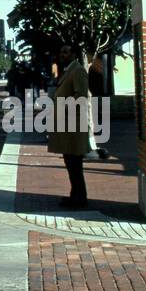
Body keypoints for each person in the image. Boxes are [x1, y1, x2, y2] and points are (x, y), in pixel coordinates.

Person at [48, 40, 91, 209]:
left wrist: (62, 106)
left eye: (66, 52)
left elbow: (80, 97)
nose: (62, 55)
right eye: (61, 52)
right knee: (70, 163)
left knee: (74, 164)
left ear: (73, 54)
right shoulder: (69, 70)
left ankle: (80, 198)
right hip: (67, 124)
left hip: (73, 125)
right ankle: (75, 195)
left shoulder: (78, 71)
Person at [87, 53, 110, 160]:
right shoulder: (92, 68)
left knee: (94, 112)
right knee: (94, 112)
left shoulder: (94, 68)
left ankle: (94, 134)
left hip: (94, 93)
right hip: (93, 94)